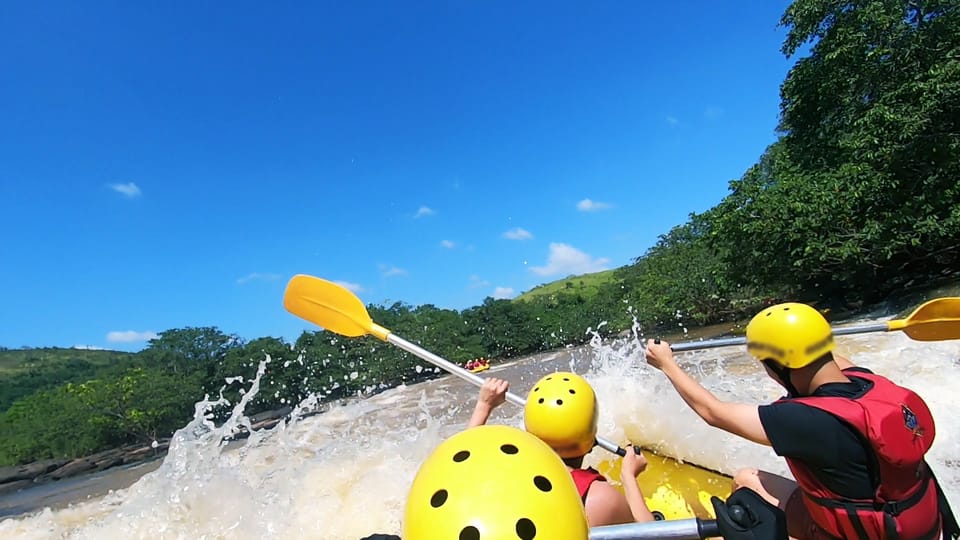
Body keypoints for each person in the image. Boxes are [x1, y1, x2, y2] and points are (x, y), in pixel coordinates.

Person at [644, 301, 959, 540]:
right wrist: (801, 333)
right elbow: (834, 361)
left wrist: (667, 364)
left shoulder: (804, 420)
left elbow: (713, 412)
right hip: (923, 527)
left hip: (859, 534)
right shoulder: (871, 384)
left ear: (780, 365)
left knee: (746, 479)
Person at [468, 374, 656, 527]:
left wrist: (484, 406)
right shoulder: (600, 499)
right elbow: (650, 534)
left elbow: (462, 467)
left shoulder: (506, 478)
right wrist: (629, 477)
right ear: (591, 440)